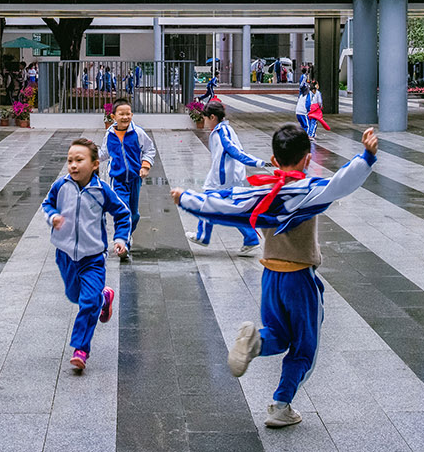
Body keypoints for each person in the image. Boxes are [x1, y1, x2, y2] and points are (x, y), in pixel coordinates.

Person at [172, 123, 381, 429]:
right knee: (303, 348)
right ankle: (281, 405)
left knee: (277, 334)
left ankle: (255, 342)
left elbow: (225, 204)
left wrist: (186, 198)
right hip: (300, 279)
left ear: (273, 157)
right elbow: (342, 183)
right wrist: (367, 155)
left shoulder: (261, 192)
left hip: (270, 276)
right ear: (307, 159)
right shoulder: (307, 191)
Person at [41, 138, 130, 374]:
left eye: (79, 160)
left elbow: (122, 214)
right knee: (75, 296)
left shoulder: (102, 191)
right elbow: (47, 205)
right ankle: (104, 296)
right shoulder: (60, 186)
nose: (72, 165)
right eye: (69, 160)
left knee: (87, 303)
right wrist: (52, 217)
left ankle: (80, 349)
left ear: (94, 164)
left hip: (92, 258)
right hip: (65, 255)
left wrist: (120, 239)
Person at [195, 102, 262, 252]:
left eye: (205, 118)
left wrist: (256, 162)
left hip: (224, 178)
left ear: (212, 117)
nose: (204, 121)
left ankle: (203, 235)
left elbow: (235, 151)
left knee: (210, 202)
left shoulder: (223, 132)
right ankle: (251, 238)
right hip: (224, 177)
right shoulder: (221, 130)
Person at [103, 98, 155, 244]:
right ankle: (122, 240)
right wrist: (90, 156)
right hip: (118, 178)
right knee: (123, 209)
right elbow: (104, 153)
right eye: (121, 114)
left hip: (134, 178)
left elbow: (149, 150)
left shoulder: (137, 133)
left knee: (134, 214)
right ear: (113, 116)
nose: (125, 117)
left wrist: (145, 166)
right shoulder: (109, 134)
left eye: (128, 114)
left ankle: (127, 233)